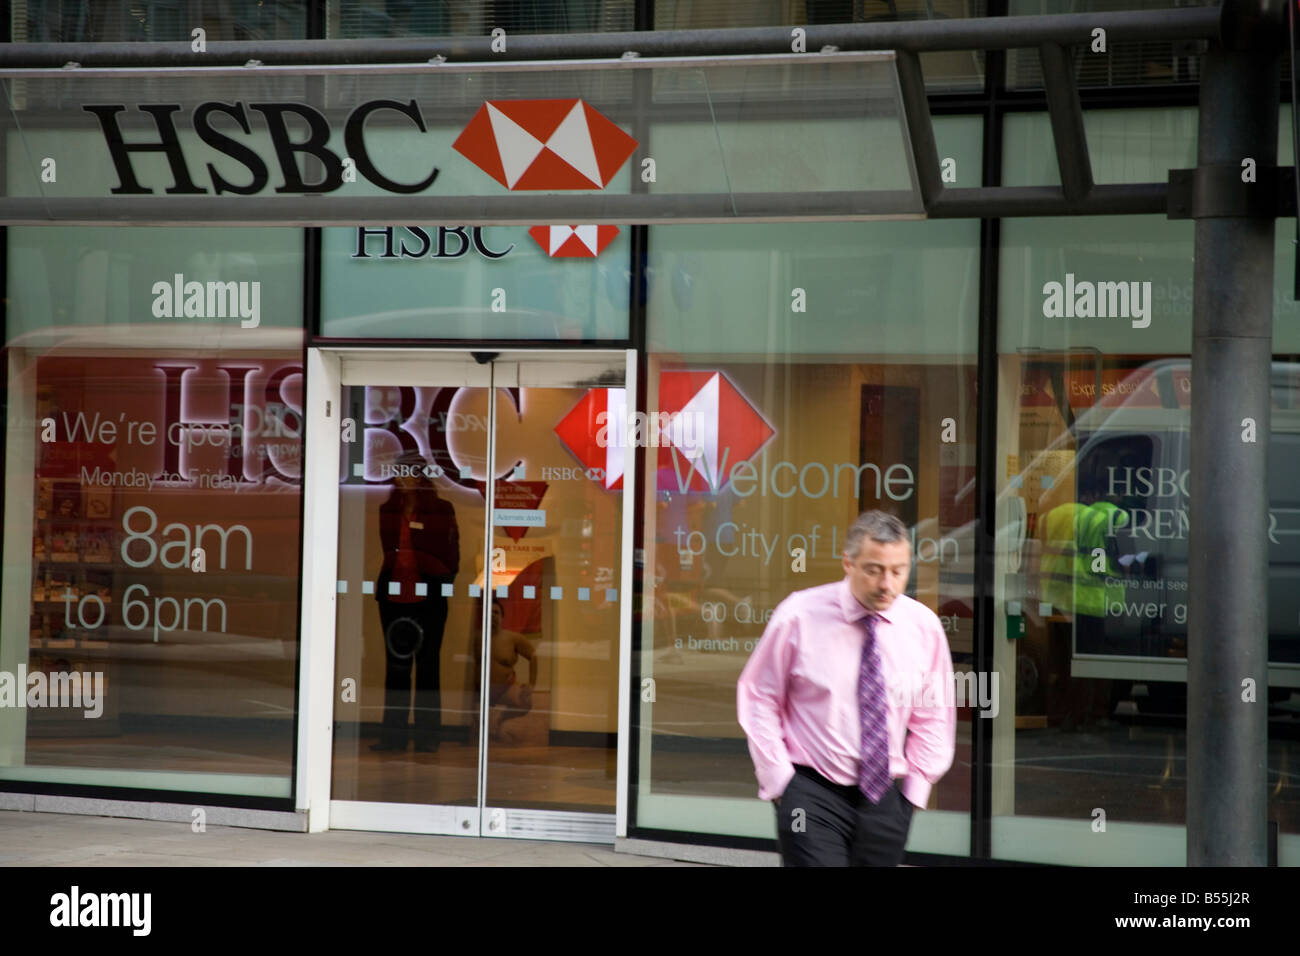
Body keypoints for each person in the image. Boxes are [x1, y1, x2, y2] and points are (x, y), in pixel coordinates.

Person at [737, 510, 956, 867]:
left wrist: (912, 795)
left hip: (885, 799)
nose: (887, 584)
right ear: (848, 563)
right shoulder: (799, 616)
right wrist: (780, 783)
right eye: (874, 570)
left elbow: (933, 717)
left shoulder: (923, 628)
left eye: (898, 571)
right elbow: (759, 696)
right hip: (811, 791)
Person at [373, 449, 460, 753]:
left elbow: (451, 557)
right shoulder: (388, 510)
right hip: (394, 597)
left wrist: (441, 583)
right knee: (396, 668)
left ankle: (427, 737)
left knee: (428, 666)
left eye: (409, 472)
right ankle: (392, 736)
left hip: (430, 598)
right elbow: (388, 552)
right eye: (399, 472)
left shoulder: (440, 509)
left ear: (421, 476)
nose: (403, 478)